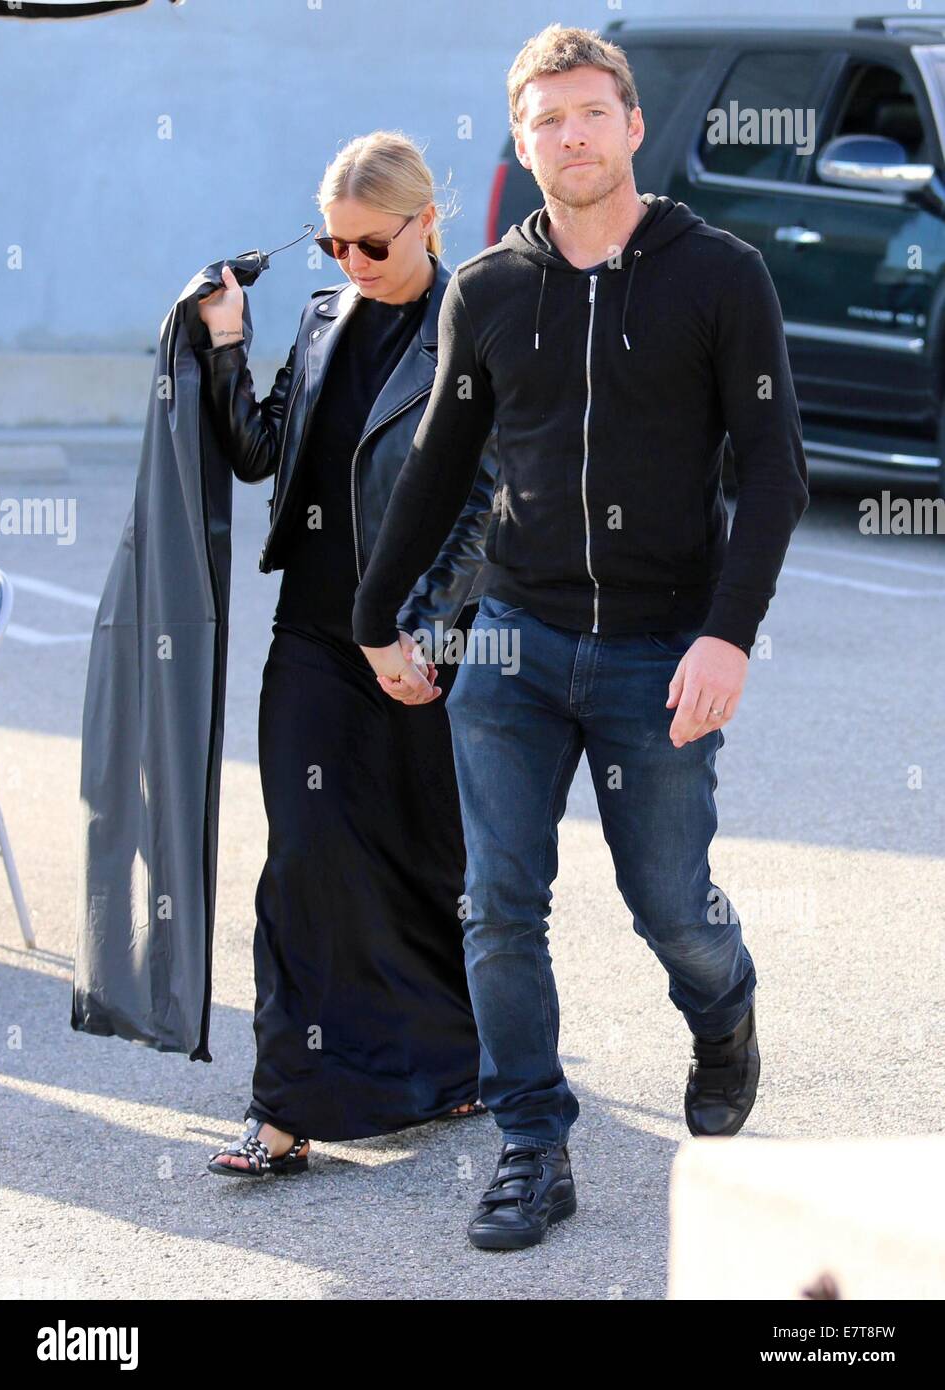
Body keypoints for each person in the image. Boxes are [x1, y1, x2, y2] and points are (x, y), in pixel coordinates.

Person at [351, 25, 810, 1247]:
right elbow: (444, 464)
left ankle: (724, 1015)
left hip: (662, 650)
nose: (571, 136)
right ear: (520, 138)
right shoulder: (489, 289)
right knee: (498, 902)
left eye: (590, 113)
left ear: (631, 123)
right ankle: (530, 1143)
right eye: (545, 119)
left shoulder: (718, 275)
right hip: (510, 644)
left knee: (671, 906)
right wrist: (376, 615)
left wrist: (728, 636)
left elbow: (772, 471)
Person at [196, 131, 499, 1177]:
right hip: (317, 638)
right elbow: (264, 454)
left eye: (368, 246)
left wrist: (418, 627)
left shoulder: (476, 324)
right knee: (305, 861)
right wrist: (227, 342)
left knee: (426, 864)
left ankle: (450, 1066)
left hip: (422, 642)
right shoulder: (325, 315)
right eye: (329, 245)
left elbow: (490, 505)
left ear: (425, 222)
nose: (347, 267)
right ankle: (282, 1106)